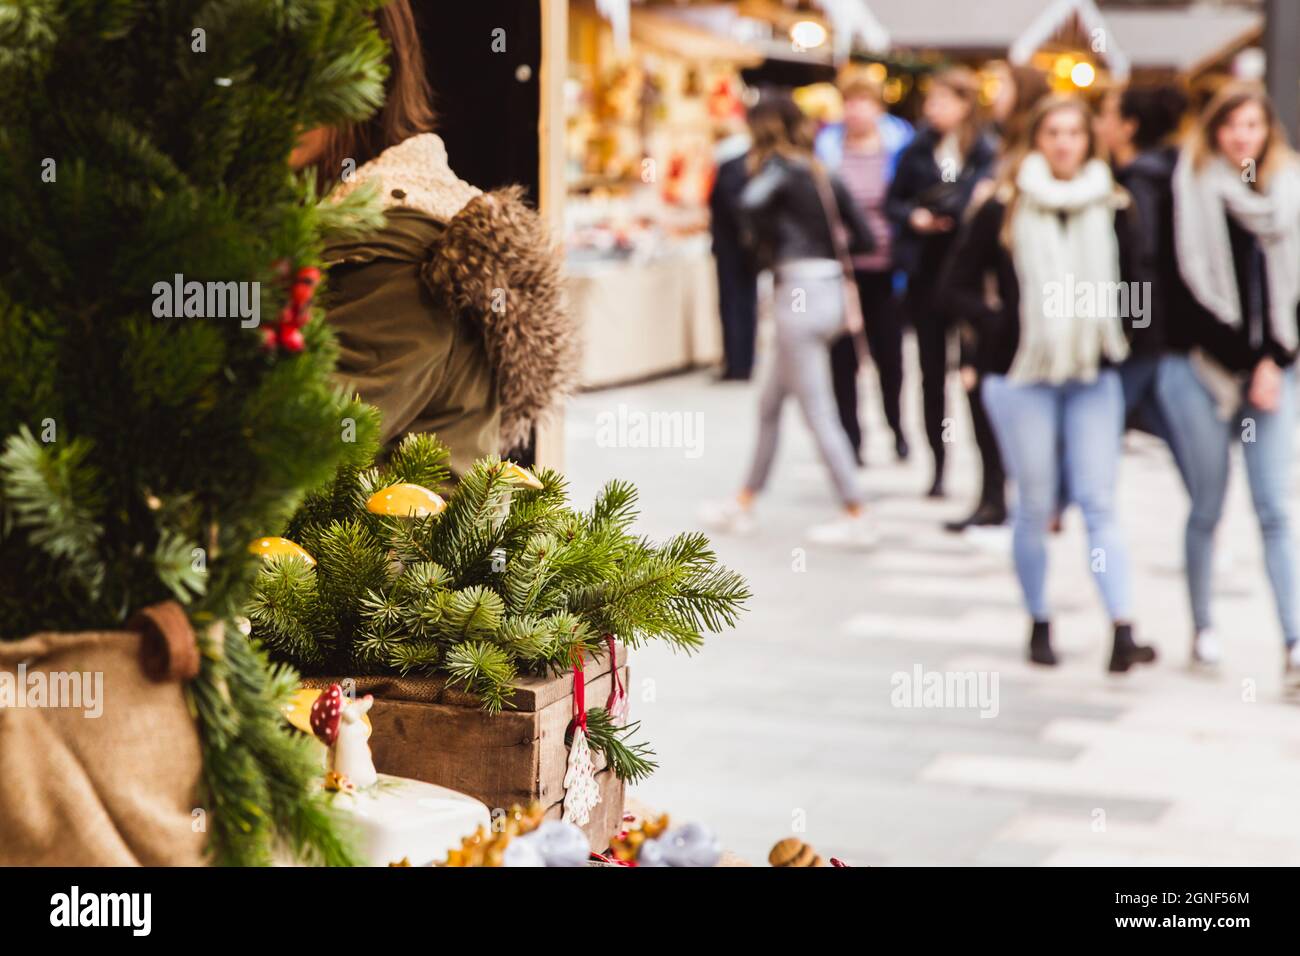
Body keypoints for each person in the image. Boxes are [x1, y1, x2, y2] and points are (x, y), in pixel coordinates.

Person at [289, 0, 579, 476]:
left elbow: (294, 448)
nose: (269, 97)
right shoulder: (344, 224)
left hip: (386, 551)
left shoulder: (399, 253)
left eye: (296, 65)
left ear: (369, 73)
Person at [941, 95, 1157, 673]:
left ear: (1091, 140)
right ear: (1036, 139)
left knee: (1098, 500)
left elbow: (1140, 289)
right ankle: (1039, 620)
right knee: (1034, 504)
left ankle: (1121, 627)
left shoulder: (1114, 206)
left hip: (1092, 372)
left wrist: (1123, 340)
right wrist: (1000, 327)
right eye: (1053, 133)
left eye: (1074, 133)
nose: (1064, 143)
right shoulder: (1004, 207)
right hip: (1020, 376)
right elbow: (955, 285)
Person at [1157, 83, 1300, 680]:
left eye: (1253, 126)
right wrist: (1243, 364)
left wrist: (1272, 361)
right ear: (1215, 131)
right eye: (1232, 125)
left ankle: (1293, 642)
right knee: (1207, 507)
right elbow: (1181, 293)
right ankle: (1203, 625)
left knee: (1273, 508)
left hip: (1274, 372)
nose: (1243, 136)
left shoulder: (1288, 192)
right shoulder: (1190, 189)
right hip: (1204, 370)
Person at [700, 96, 878, 548]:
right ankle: (744, 501)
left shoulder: (778, 169)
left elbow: (747, 205)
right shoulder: (821, 170)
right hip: (830, 289)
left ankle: (856, 510)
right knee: (769, 405)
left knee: (817, 411)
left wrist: (763, 244)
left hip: (797, 293)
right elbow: (864, 236)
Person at [945, 63, 1050, 533]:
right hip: (989, 304)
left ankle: (1020, 498)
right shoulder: (1000, 147)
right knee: (981, 394)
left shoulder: (1023, 154)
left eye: (1003, 86)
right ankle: (994, 495)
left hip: (1017, 306)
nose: (995, 94)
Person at [887, 67, 997, 498]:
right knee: (930, 374)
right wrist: (914, 217)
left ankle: (989, 480)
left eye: (942, 101)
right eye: (930, 102)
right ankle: (938, 465)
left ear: (964, 104)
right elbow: (893, 201)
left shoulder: (983, 151)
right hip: (927, 272)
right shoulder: (916, 148)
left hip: (968, 273)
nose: (933, 109)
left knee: (975, 374)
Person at [1094, 84, 1191, 485]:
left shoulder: (1137, 183)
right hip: (1158, 331)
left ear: (1128, 127)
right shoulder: (1168, 172)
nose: (1098, 125)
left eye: (1105, 115)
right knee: (1164, 420)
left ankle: (1055, 504)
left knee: (1102, 422)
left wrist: (1133, 325)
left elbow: (1142, 260)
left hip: (1144, 334)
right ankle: (1207, 508)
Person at [815, 71, 914, 465]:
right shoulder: (827, 149)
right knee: (842, 360)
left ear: (878, 108)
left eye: (864, 103)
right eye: (850, 102)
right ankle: (850, 438)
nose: (856, 111)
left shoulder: (898, 147)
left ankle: (896, 427)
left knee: (889, 355)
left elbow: (902, 200)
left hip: (886, 268)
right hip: (841, 269)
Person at [710, 114, 759, 381]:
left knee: (734, 304)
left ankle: (737, 363)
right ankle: (742, 360)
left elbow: (734, 208)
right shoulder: (745, 162)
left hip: (733, 250)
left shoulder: (730, 166)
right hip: (742, 249)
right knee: (745, 304)